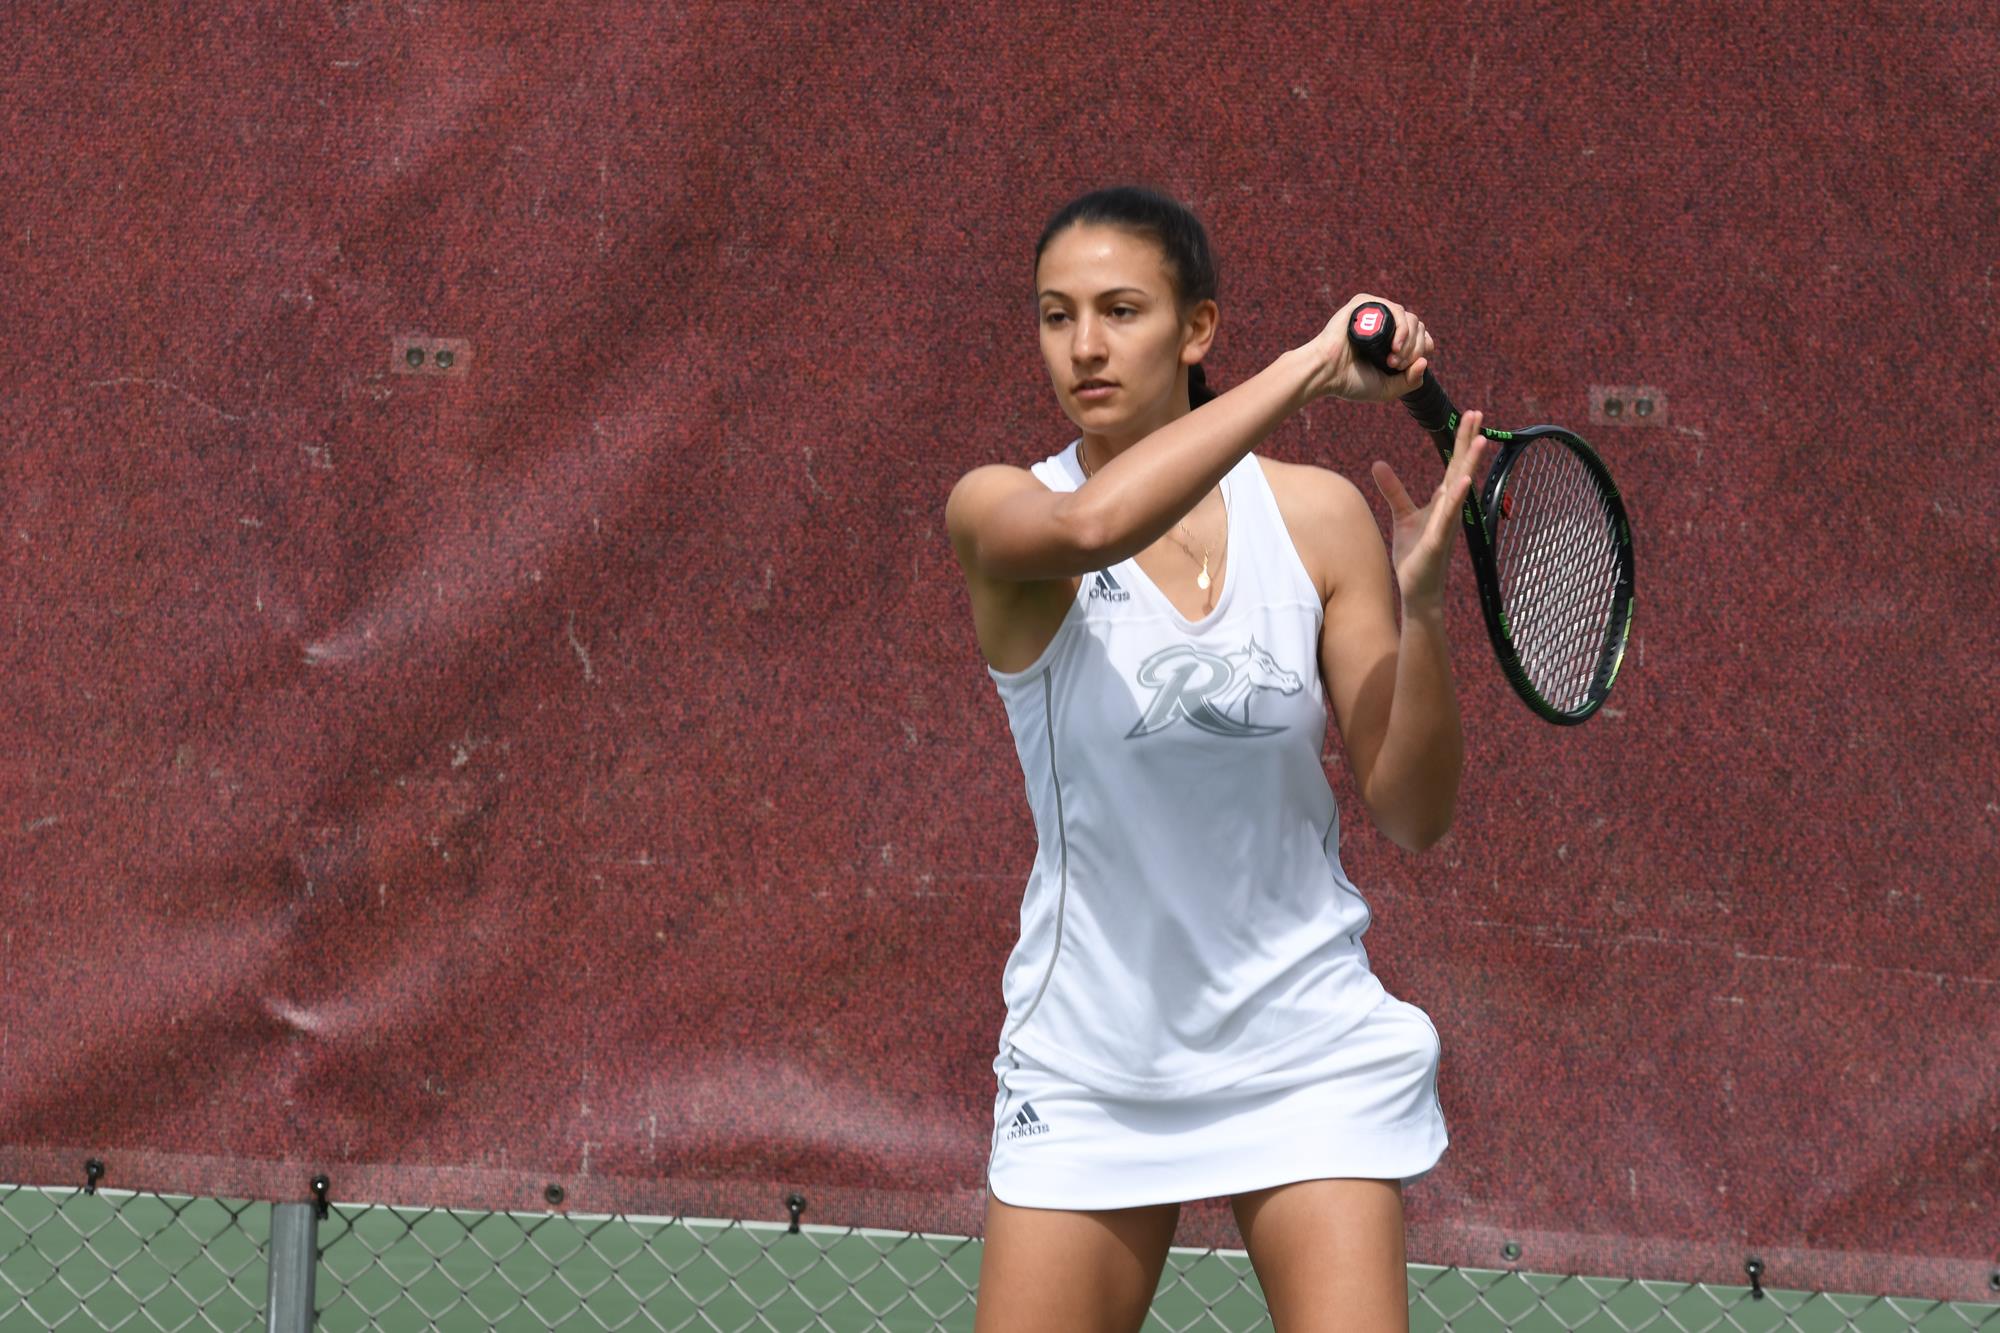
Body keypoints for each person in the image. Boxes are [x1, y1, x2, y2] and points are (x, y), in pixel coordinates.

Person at [943, 186, 1492, 1332]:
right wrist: (1308, 366)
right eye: (1055, 315)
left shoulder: (1318, 518)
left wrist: (1425, 613)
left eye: (1120, 309)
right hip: (1091, 1058)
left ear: (1196, 330)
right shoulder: (998, 511)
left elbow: (1412, 810)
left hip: (1304, 1047)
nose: (1083, 345)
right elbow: (1097, 527)